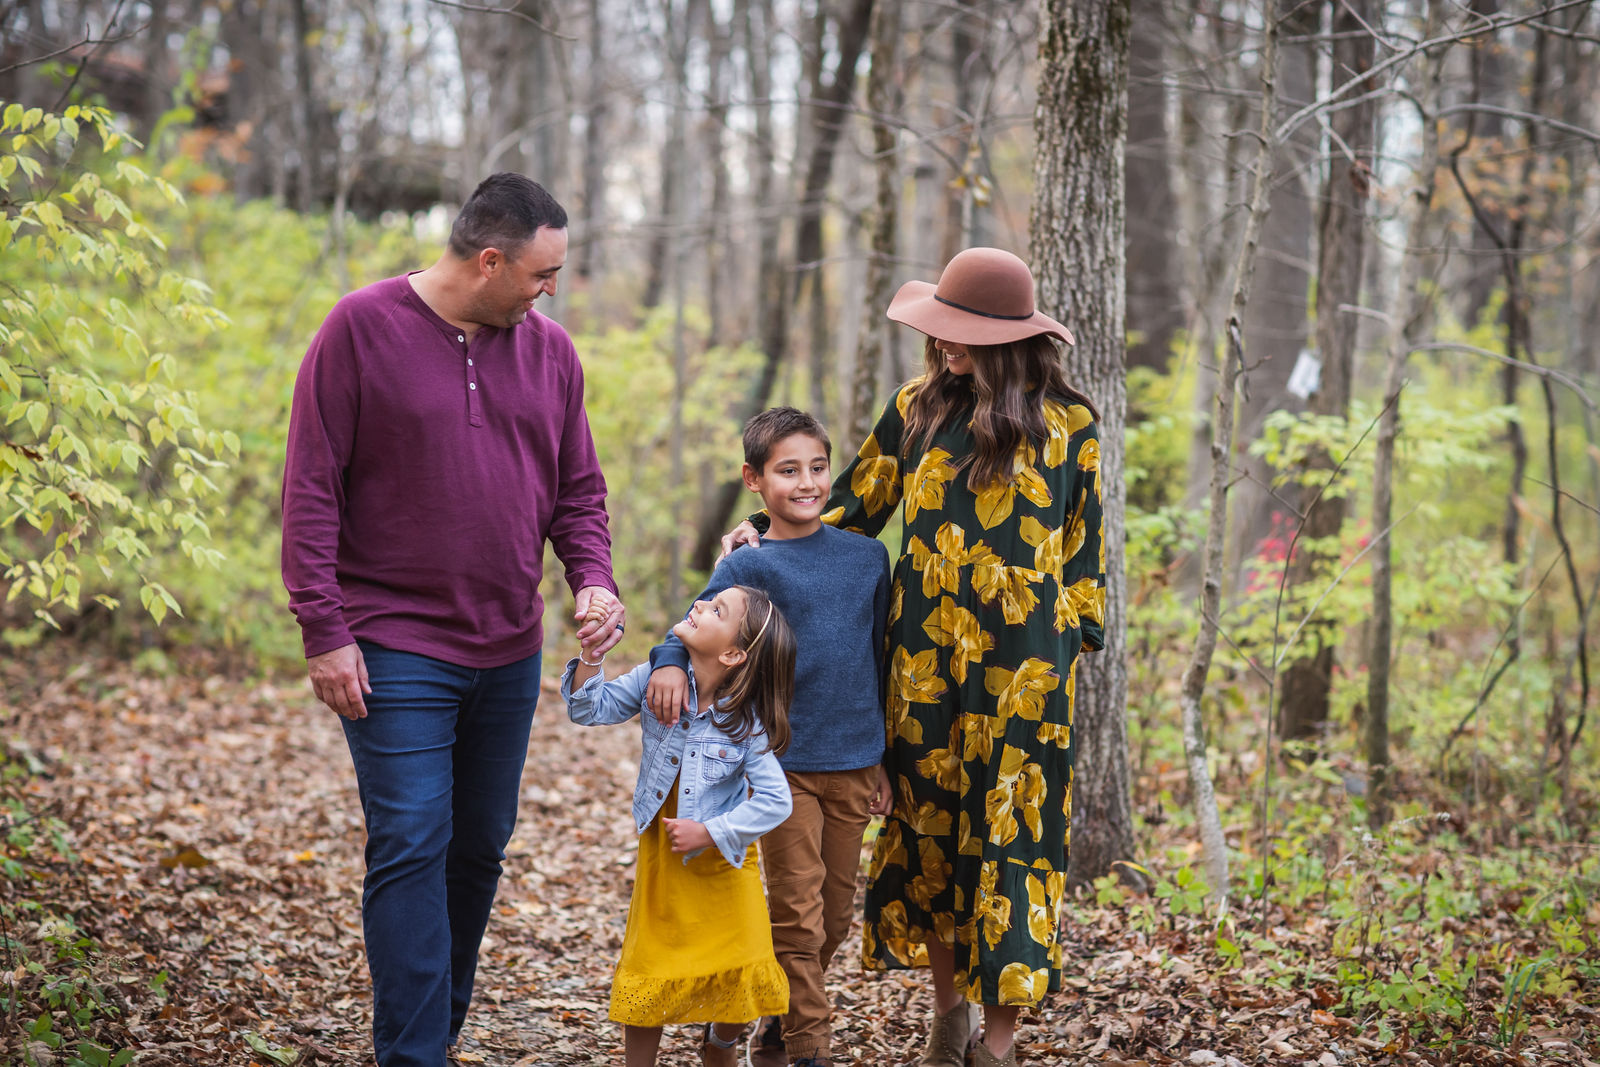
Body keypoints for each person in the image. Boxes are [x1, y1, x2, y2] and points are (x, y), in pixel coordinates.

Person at [721, 247, 1105, 1067]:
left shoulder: (1071, 425)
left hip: (1027, 677)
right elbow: (849, 512)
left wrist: (1071, 636)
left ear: (1007, 340)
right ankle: (947, 1016)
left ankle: (996, 1043)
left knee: (1014, 845)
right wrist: (761, 541)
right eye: (941, 330)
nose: (944, 346)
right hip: (923, 666)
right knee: (930, 837)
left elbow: (1084, 549)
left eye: (959, 334)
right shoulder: (916, 410)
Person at [280, 173, 626, 1067]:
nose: (551, 290)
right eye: (542, 273)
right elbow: (311, 490)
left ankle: (434, 1028)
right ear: (488, 259)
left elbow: (577, 491)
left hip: (509, 647)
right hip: (394, 641)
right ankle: (414, 1054)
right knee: (410, 840)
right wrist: (324, 629)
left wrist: (592, 579)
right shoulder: (359, 329)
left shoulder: (551, 355)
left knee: (477, 849)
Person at [644, 407, 893, 1067]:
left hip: (857, 759)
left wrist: (886, 761)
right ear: (754, 479)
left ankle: (776, 1022)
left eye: (817, 467)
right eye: (788, 471)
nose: (806, 482)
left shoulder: (868, 557)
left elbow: (880, 659)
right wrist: (668, 661)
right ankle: (810, 1049)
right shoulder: (750, 565)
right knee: (796, 913)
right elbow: (689, 624)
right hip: (780, 764)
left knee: (833, 916)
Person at [564, 585, 797, 1067]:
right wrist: (590, 657)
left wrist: (714, 832)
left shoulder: (746, 722)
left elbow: (777, 801)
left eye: (716, 610)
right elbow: (589, 709)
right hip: (665, 853)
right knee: (652, 967)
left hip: (724, 861)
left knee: (744, 964)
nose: (697, 605)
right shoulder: (657, 676)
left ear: (734, 652)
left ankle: (722, 1042)